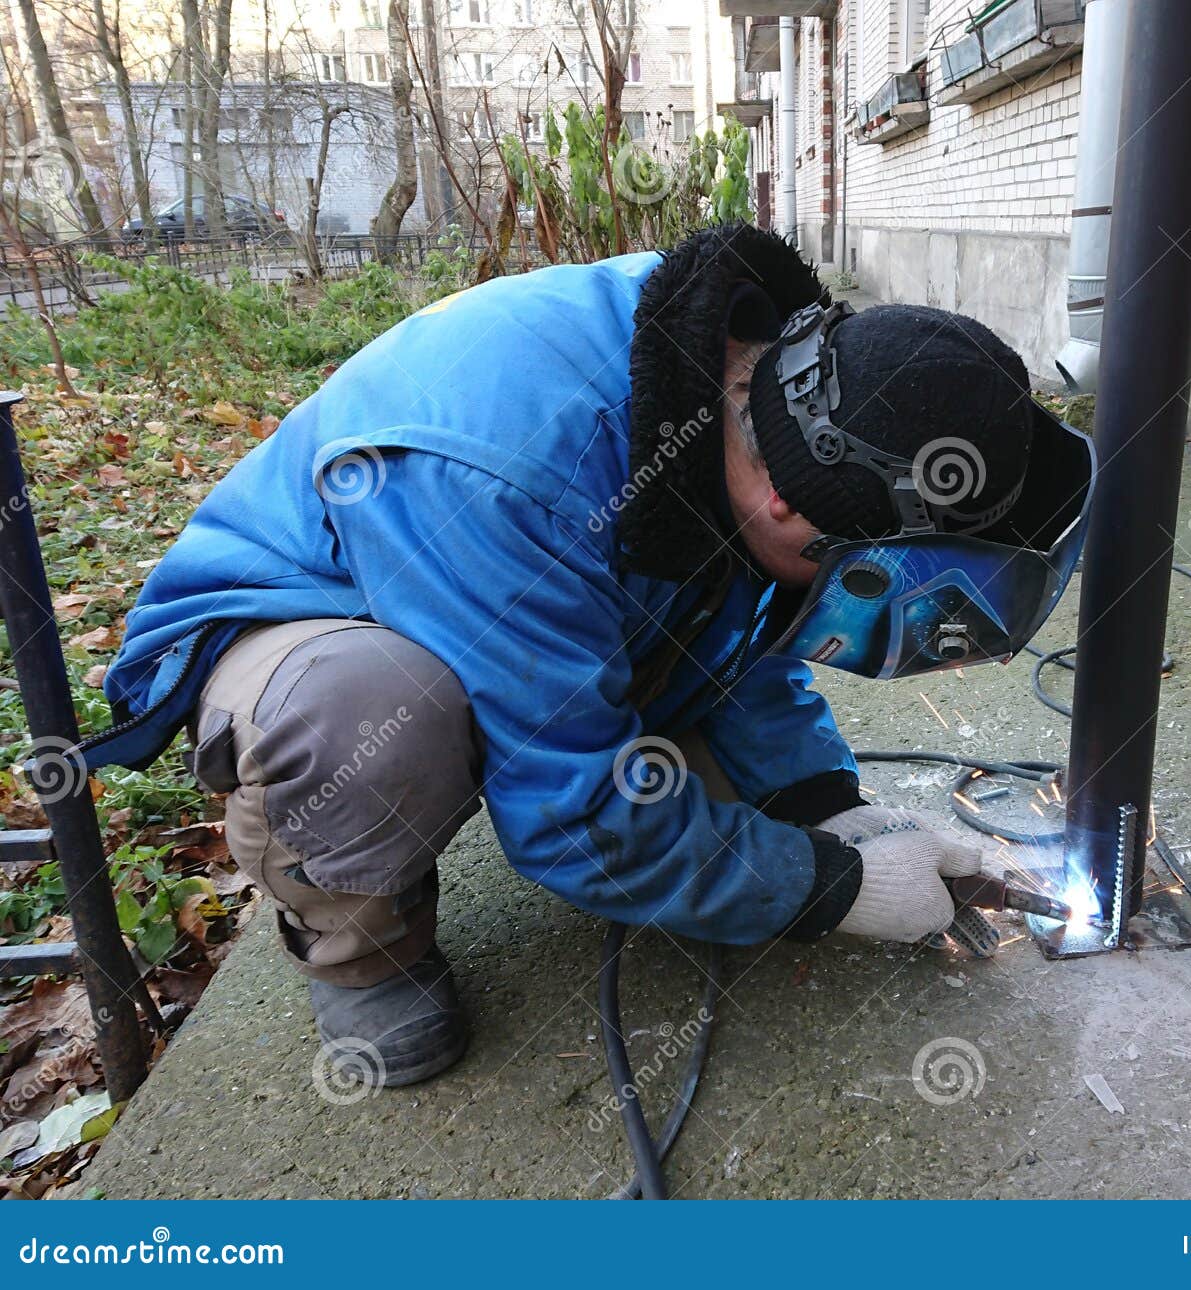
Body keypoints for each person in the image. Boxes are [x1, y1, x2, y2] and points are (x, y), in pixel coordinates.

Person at [87, 224, 1091, 1087]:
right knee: (376, 712)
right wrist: (830, 889)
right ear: (786, 501)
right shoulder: (514, 471)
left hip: (519, 589)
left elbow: (744, 625)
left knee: (721, 802)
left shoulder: (757, 381)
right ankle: (360, 954)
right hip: (305, 617)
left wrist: (825, 806)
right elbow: (576, 823)